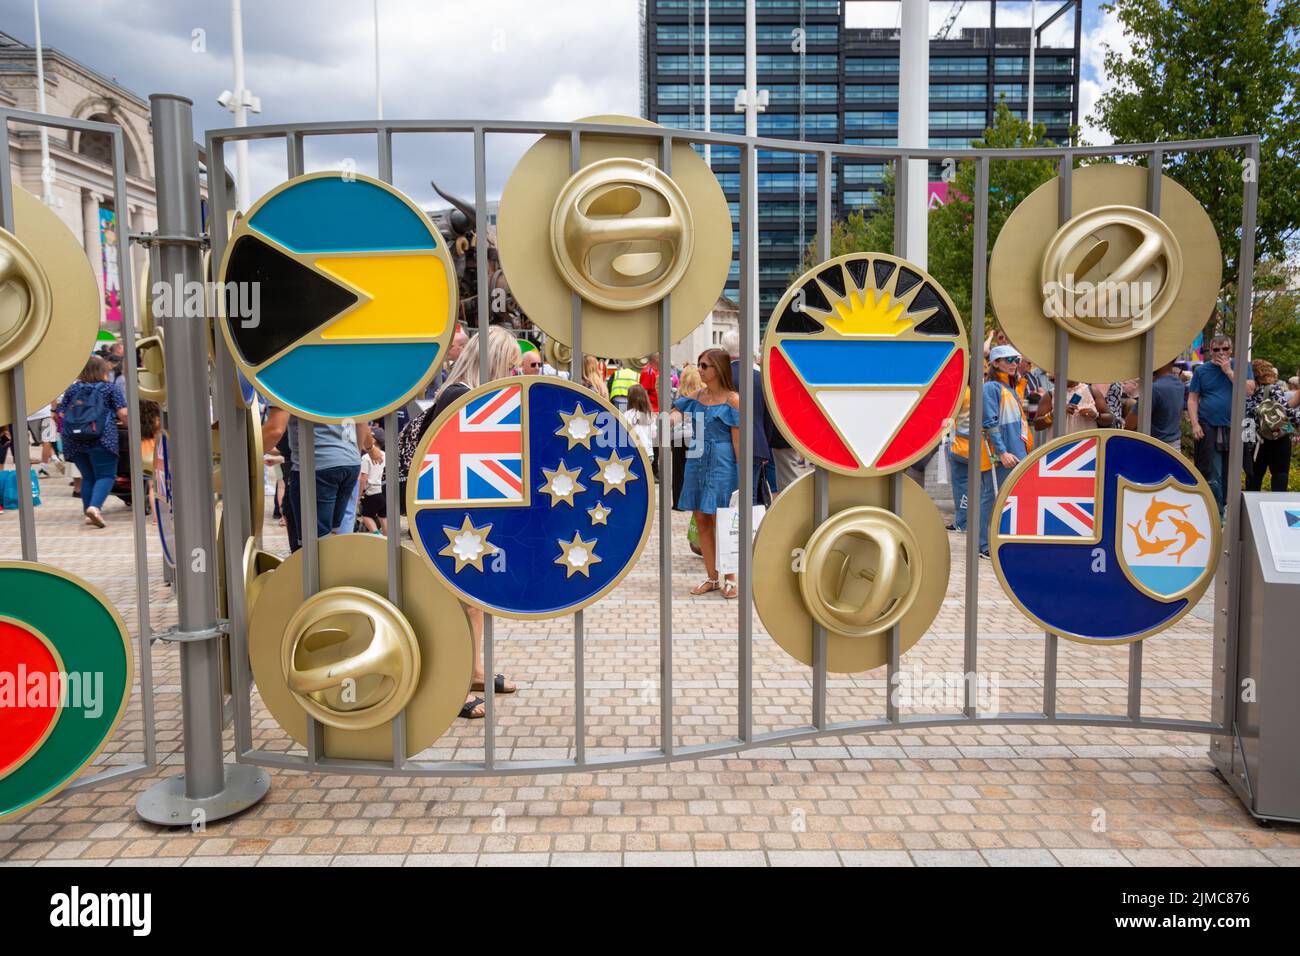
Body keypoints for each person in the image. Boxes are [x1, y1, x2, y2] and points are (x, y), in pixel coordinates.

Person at [398, 326, 523, 720]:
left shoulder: (467, 394)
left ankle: (473, 672)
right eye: (511, 366)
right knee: (461, 601)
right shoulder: (459, 396)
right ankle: (454, 684)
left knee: (474, 600)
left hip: (463, 515)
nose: (515, 373)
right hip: (451, 517)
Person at [672, 347, 741, 598]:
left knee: (720, 520)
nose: (699, 370)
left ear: (718, 369)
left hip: (722, 464)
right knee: (701, 519)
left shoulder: (733, 399)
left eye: (704, 366)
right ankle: (712, 577)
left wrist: (741, 475)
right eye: (699, 365)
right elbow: (676, 409)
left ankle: (731, 577)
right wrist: (666, 420)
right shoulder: (697, 396)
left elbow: (738, 443)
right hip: (697, 461)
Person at [261, 410, 371, 546]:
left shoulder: (289, 387)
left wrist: (246, 454)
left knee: (313, 543)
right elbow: (361, 423)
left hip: (317, 464)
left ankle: (316, 566)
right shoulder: (347, 387)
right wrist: (356, 454)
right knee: (332, 533)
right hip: (349, 462)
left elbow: (275, 430)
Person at [57, 355, 129, 528]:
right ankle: (94, 508)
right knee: (106, 475)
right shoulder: (110, 389)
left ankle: (89, 513)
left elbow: (61, 413)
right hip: (102, 439)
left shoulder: (72, 390)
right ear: (102, 370)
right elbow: (124, 413)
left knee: (88, 476)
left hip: (74, 439)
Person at [1188, 335, 1254, 514]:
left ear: (1231, 350)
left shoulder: (1242, 366)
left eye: (1225, 349)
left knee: (1233, 470)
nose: (1221, 353)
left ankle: (1231, 509)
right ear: (1210, 351)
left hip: (1235, 427)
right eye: (1216, 350)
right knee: (1213, 470)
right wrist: (1195, 423)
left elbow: (1249, 390)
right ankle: (1217, 513)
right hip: (1209, 425)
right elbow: (1193, 398)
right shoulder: (1202, 371)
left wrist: (1229, 371)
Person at [983, 344, 1032, 555]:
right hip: (1004, 455)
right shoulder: (991, 388)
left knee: (1009, 499)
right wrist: (1001, 452)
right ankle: (984, 544)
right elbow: (989, 422)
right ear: (995, 363)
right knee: (992, 498)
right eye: (1008, 360)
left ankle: (1000, 541)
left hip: (1017, 452)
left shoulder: (1011, 388)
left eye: (1016, 360)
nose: (1013, 364)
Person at [722, 331, 773, 504]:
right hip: (756, 443)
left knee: (727, 497)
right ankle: (748, 531)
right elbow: (768, 417)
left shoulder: (722, 378)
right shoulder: (760, 378)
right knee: (749, 495)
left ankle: (731, 531)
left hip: (726, 444)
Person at [947, 385, 996, 555]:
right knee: (982, 488)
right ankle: (970, 523)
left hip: (960, 445)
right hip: (982, 447)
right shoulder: (986, 391)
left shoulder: (962, 392)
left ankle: (964, 522)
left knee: (961, 484)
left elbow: (950, 417)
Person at [1243, 360, 1300, 492]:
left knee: (1253, 478)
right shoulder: (1272, 389)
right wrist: (1294, 429)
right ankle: (1277, 508)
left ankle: (1249, 509)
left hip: (1255, 441)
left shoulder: (1244, 392)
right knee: (1280, 476)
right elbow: (1286, 413)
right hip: (1278, 437)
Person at [671, 363, 703, 511]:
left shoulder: (678, 395)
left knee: (678, 470)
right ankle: (694, 501)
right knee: (695, 469)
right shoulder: (701, 395)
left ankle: (678, 502)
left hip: (678, 435)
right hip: (696, 434)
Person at [1034, 379, 1099, 435]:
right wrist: (1055, 414)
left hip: (1086, 445)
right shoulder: (1051, 394)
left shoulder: (1091, 391)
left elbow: (1108, 419)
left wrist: (1095, 416)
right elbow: (1037, 426)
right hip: (1062, 445)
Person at [1149, 362, 1186, 449]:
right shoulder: (1179, 384)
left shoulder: (1155, 388)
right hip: (1174, 445)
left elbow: (1131, 423)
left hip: (1155, 445)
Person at [622, 384, 656, 471]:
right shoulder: (650, 415)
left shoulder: (628, 414)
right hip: (648, 453)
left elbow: (624, 434)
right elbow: (653, 435)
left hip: (634, 453)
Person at [357, 436, 387, 533]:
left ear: (374, 440)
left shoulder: (366, 457)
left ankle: (377, 536)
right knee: (383, 516)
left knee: (366, 516)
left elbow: (363, 477)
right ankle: (387, 539)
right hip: (384, 490)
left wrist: (359, 495)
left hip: (372, 492)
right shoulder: (386, 455)